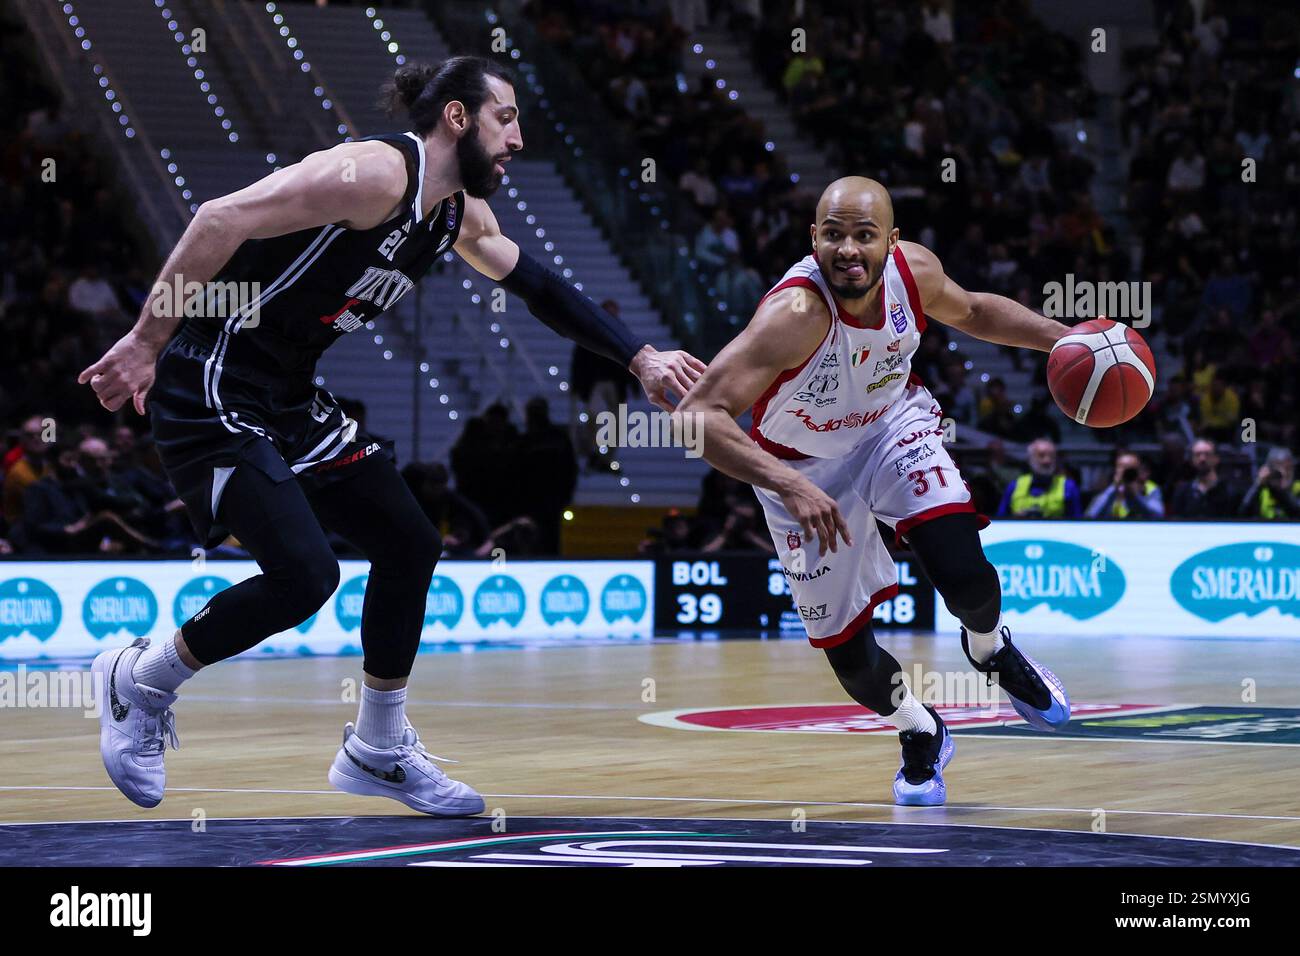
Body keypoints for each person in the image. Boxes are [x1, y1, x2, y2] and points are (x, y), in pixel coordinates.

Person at [76, 57, 705, 814]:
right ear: (457, 118)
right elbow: (219, 217)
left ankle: (377, 747)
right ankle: (141, 678)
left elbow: (538, 285)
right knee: (306, 576)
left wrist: (638, 357)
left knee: (411, 540)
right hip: (211, 379)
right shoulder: (375, 173)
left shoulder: (456, 216)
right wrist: (145, 341)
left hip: (290, 394)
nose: (518, 139)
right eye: (506, 118)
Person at [677, 177, 1073, 808]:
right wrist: (786, 482)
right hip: (800, 468)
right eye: (833, 235)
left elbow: (971, 310)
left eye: (865, 235)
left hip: (891, 426)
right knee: (853, 661)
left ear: (891, 240)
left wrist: (1060, 337)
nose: (849, 250)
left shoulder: (913, 273)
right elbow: (696, 415)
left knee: (963, 572)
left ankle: (990, 648)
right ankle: (921, 729)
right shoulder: (794, 317)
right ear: (815, 239)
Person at [997, 437, 1083, 519]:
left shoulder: (1068, 486)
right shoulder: (1014, 486)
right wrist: (1016, 518)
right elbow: (1000, 520)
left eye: (1051, 456)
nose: (1047, 461)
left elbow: (1078, 522)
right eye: (1041, 455)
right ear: (1029, 459)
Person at [1085, 449, 1165, 519]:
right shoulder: (1107, 487)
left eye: (1130, 468)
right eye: (1121, 467)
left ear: (1138, 470)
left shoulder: (1149, 488)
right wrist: (1113, 489)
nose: (1125, 472)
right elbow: (1091, 516)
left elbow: (1158, 515)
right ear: (1116, 470)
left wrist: (1135, 496)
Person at [1169, 438, 1238, 518]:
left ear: (1216, 459)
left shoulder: (1230, 492)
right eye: (1197, 454)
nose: (1202, 459)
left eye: (1207, 454)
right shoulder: (1182, 492)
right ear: (1191, 460)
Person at [1238, 447, 1300, 520]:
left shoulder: (1298, 487)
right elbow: (1242, 513)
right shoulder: (1262, 489)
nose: (1285, 473)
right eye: (1279, 467)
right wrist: (1257, 484)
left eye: (1288, 468)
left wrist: (1279, 490)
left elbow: (1296, 512)